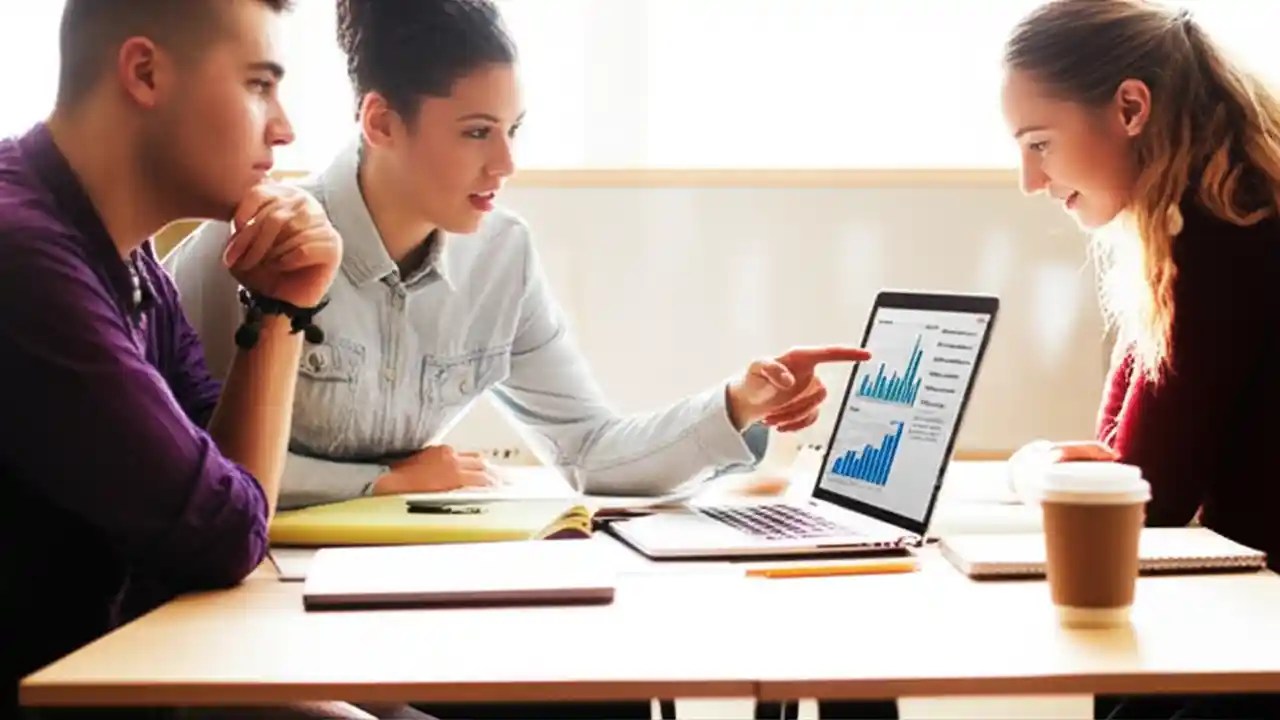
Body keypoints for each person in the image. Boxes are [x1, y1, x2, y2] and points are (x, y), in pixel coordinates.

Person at [165, 0, 869, 517]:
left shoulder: (503, 256)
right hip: (256, 598)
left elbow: (590, 451)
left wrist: (738, 401)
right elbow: (181, 466)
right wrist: (383, 482)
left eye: (513, 130)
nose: (505, 163)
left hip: (413, 581)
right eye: (476, 132)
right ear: (380, 122)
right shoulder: (244, 252)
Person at [0, 1, 425, 718]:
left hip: (127, 675)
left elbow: (223, 483)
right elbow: (224, 534)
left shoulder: (125, 257)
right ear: (144, 72)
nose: (284, 127)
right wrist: (287, 309)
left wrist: (283, 301)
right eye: (260, 84)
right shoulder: (24, 260)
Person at [1000, 1, 1280, 718]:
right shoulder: (1200, 222)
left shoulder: (1224, 239)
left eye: (1039, 143)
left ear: (1130, 107)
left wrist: (1031, 468)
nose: (1031, 181)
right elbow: (1120, 458)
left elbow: (1144, 492)